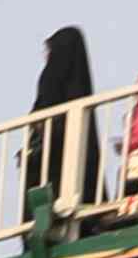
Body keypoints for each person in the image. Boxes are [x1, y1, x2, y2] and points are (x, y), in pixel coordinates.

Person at [22, 22, 101, 236]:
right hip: (71, 162)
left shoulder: (51, 77)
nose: (46, 55)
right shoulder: (80, 86)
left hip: (50, 161)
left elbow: (42, 114)